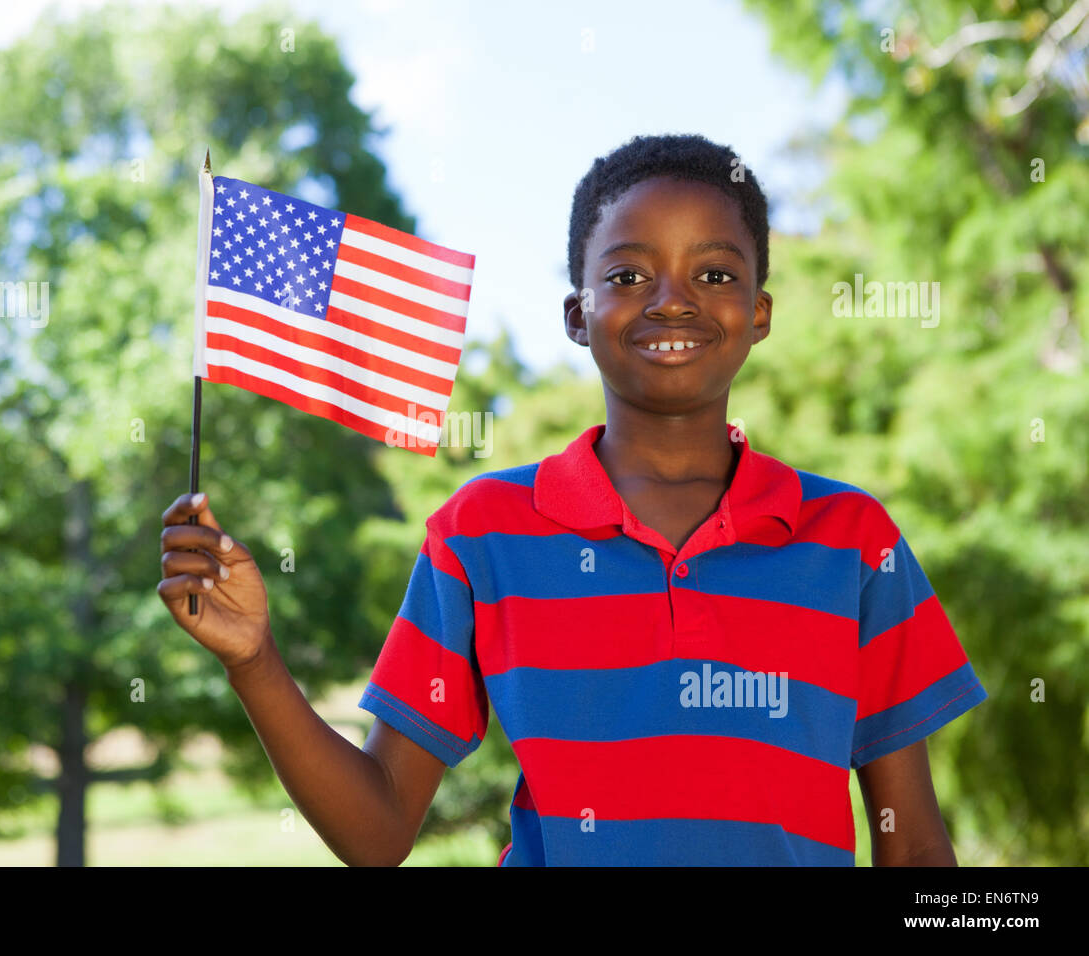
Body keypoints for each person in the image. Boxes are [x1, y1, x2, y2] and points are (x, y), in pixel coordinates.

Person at [158, 133, 987, 866]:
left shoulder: (852, 541)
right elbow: (378, 833)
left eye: (714, 272)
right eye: (628, 273)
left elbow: (910, 842)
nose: (673, 299)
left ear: (759, 312)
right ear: (575, 315)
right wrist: (254, 663)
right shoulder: (483, 534)